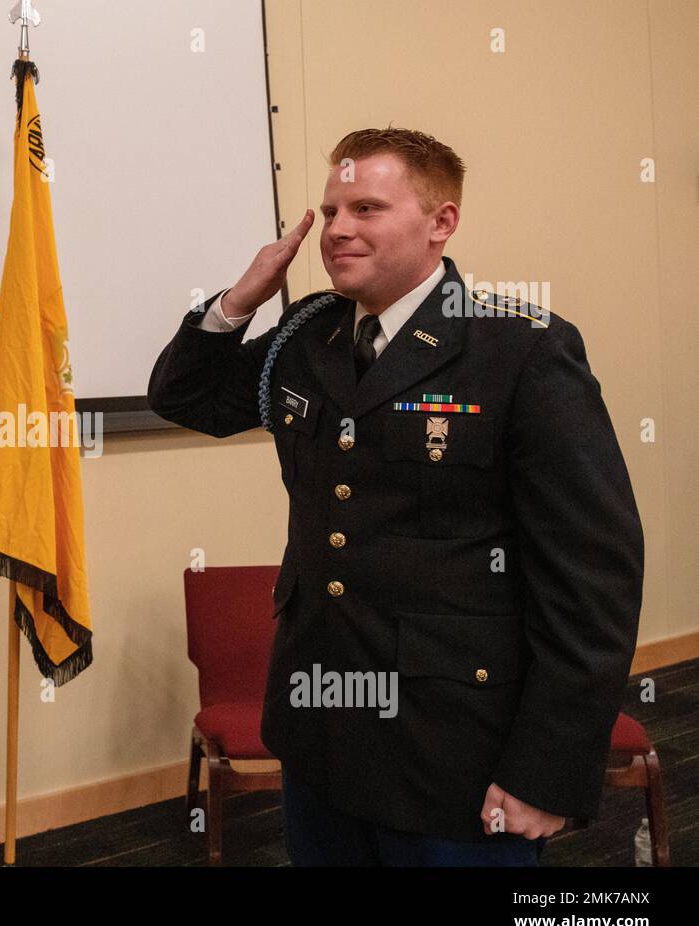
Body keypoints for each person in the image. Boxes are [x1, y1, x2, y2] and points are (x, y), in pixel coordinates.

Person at [148, 127, 644, 866]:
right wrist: (238, 299)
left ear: (441, 222)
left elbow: (593, 574)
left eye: (368, 208)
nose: (339, 229)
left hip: (452, 746)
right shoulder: (307, 335)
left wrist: (545, 769)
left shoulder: (520, 350)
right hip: (322, 728)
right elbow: (191, 398)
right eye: (332, 209)